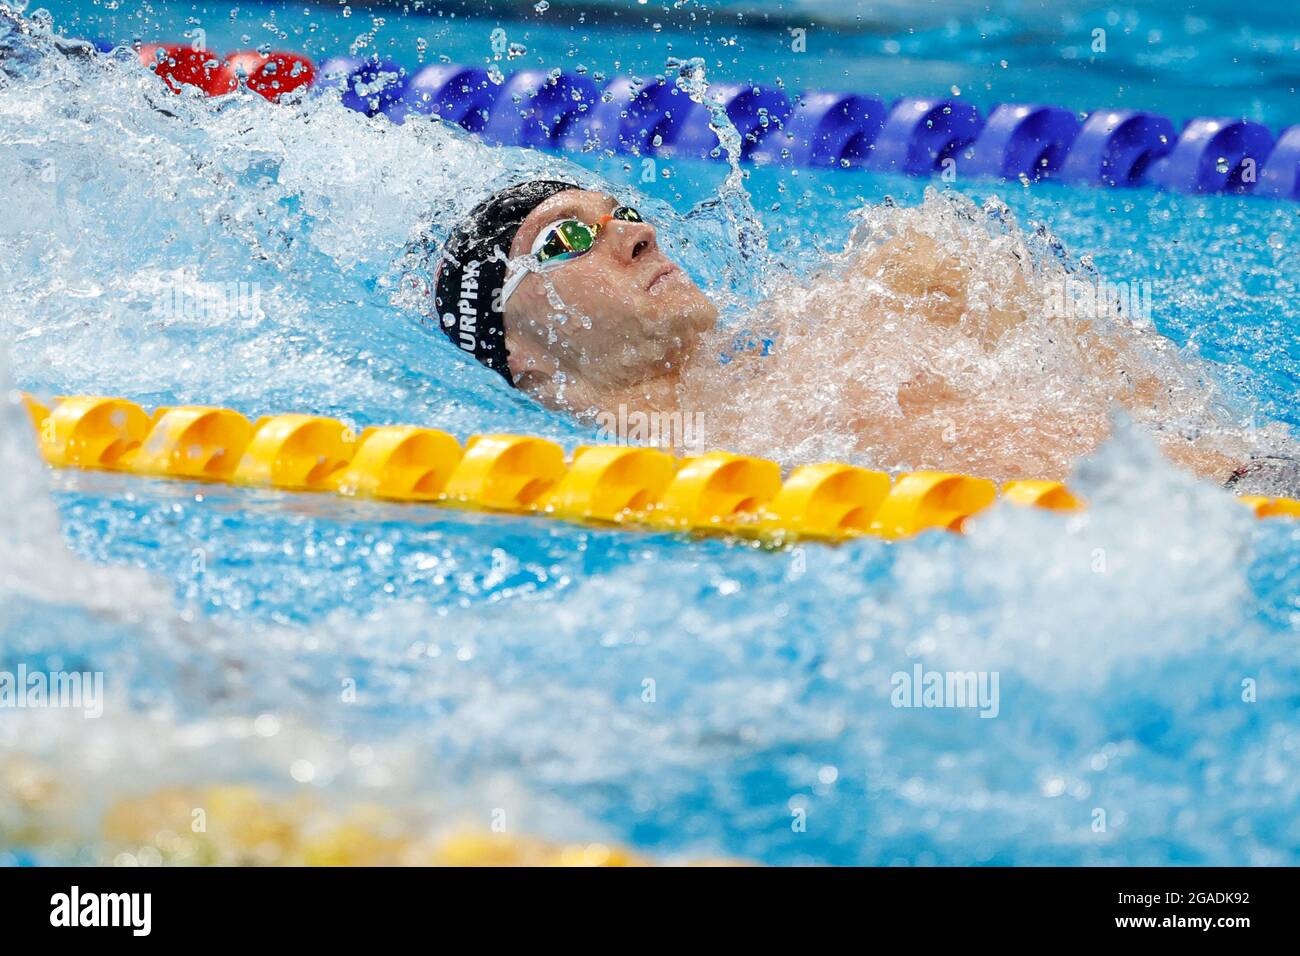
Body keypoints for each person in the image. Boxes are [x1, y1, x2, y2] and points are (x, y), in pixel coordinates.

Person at [424, 178, 1299, 494]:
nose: (638, 234)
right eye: (565, 237)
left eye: (627, 213)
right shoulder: (740, 448)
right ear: (519, 348)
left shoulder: (808, 361)